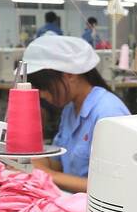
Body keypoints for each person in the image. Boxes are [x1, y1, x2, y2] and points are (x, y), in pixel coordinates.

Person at [22, 34, 129, 193]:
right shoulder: (70, 110)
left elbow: (115, 186)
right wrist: (32, 162)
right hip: (72, 203)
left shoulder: (108, 113)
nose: (42, 95)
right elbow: (58, 163)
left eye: (43, 87)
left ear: (70, 74)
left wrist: (48, 175)